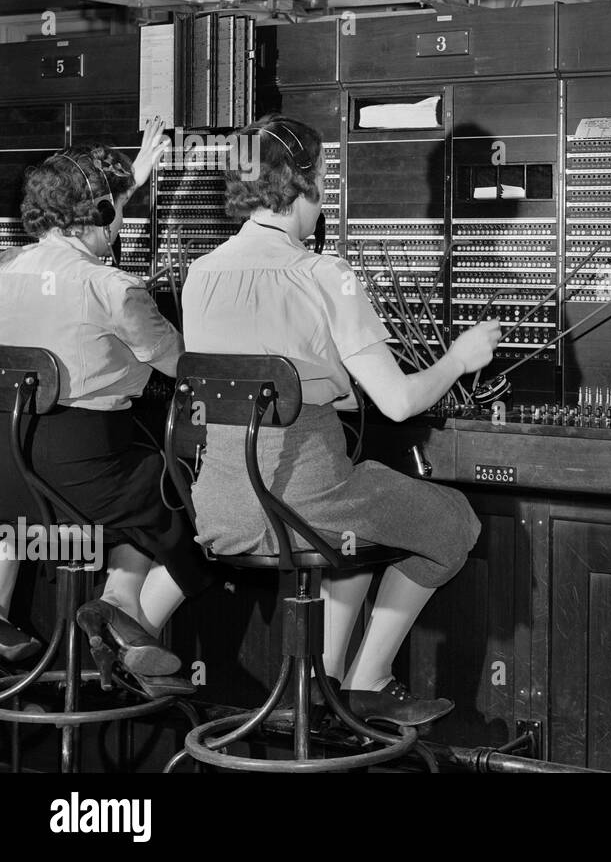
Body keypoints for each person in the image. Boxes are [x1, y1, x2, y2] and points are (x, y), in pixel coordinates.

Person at [181, 115, 500, 728]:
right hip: (305, 505)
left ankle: (321, 687)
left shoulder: (200, 275)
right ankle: (369, 679)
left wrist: (325, 382)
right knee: (451, 521)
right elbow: (401, 404)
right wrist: (459, 358)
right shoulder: (325, 274)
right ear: (305, 179)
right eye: (323, 171)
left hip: (220, 507)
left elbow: (253, 380)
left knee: (361, 517)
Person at [0, 120, 209, 694]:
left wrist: (126, 185)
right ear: (97, 210)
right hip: (83, 479)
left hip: (9, 481)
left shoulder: (4, 270)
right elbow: (183, 366)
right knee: (183, 500)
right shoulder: (112, 287)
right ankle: (126, 614)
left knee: (133, 489)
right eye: (116, 211)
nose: (120, 224)